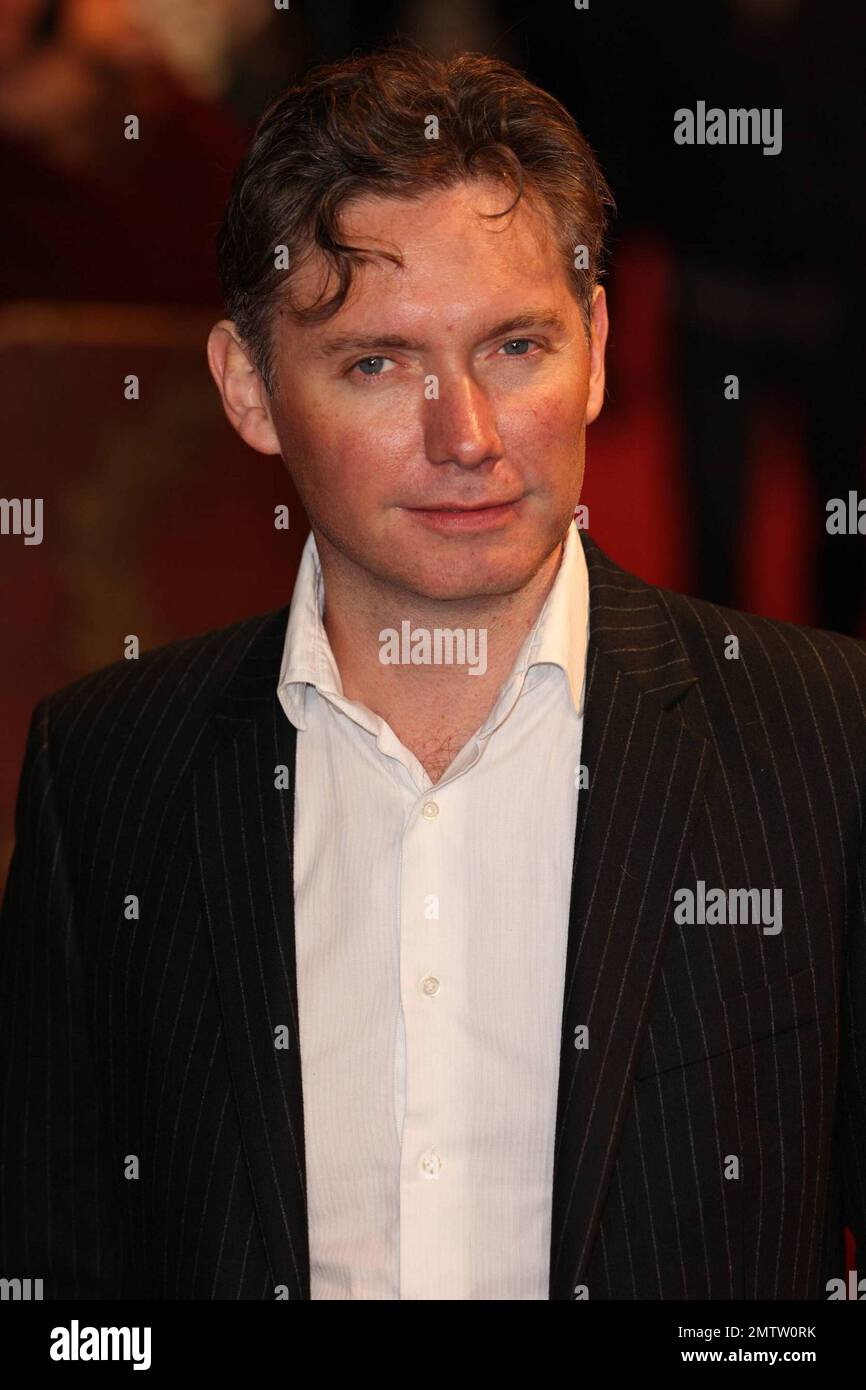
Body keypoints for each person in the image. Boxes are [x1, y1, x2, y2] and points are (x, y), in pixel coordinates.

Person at [1, 43, 864, 1302]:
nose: (464, 437)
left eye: (513, 347)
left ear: (597, 347)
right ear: (248, 389)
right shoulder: (105, 770)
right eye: (377, 362)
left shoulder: (824, 742)